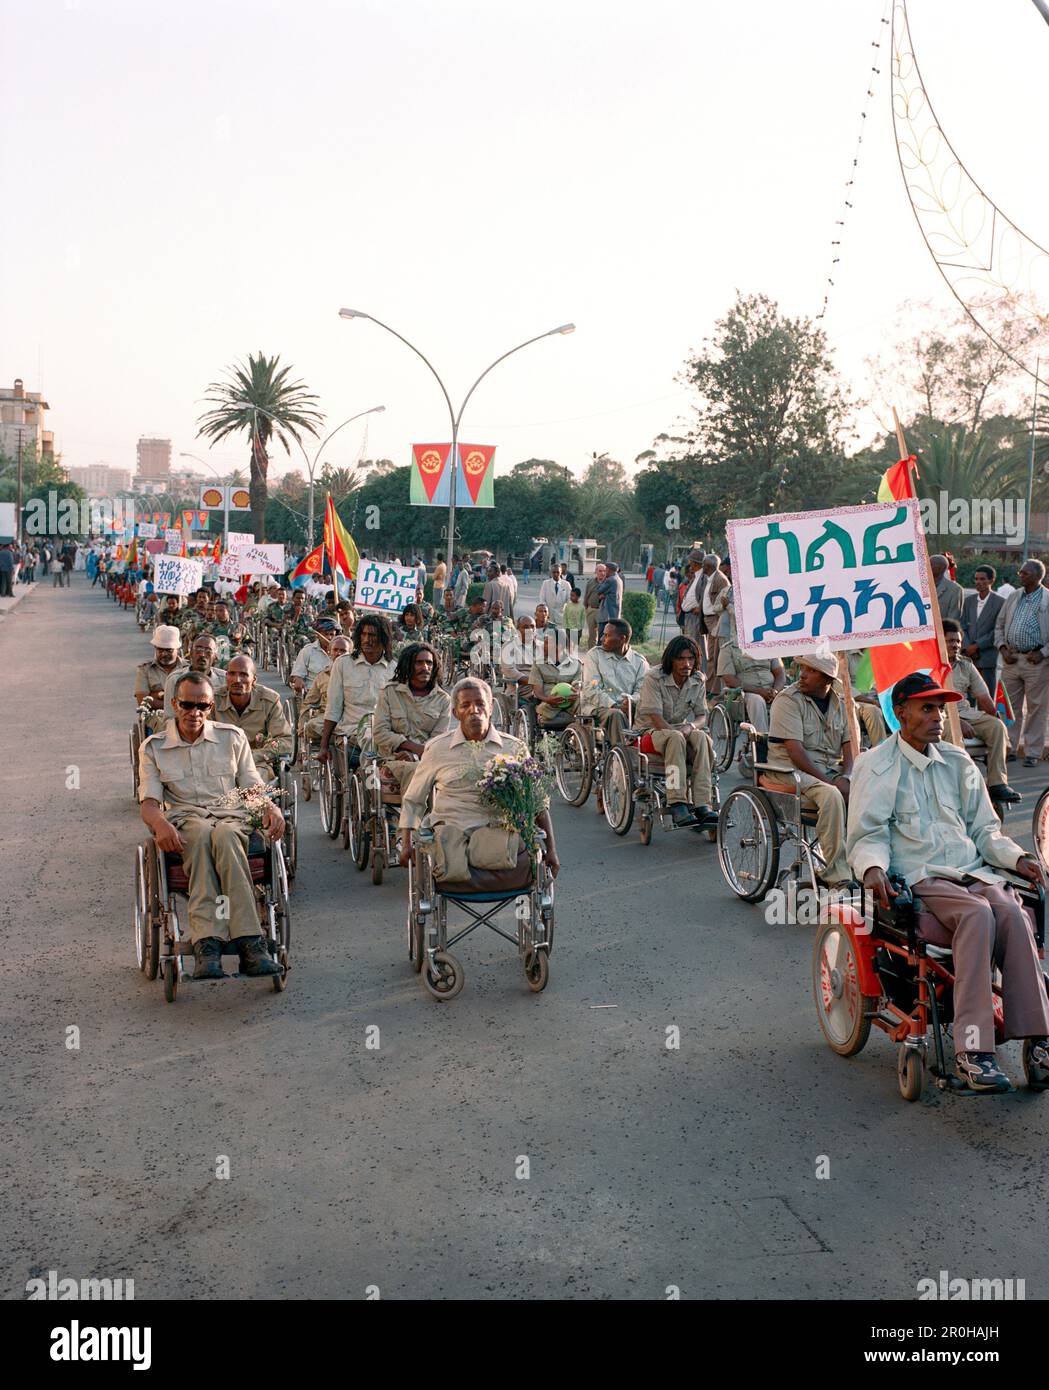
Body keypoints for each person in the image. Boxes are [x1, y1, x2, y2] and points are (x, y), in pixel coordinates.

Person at [847, 671, 1049, 1093]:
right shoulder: (877, 765)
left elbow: (986, 832)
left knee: (1012, 911)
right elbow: (868, 835)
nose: (938, 716)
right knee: (977, 915)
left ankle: (1038, 1043)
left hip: (973, 869)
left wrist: (1019, 857)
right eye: (927, 708)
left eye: (940, 708)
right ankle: (973, 1051)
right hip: (921, 876)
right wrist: (872, 869)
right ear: (900, 713)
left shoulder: (959, 762)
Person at [138, 671, 284, 980]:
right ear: (174, 705)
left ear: (210, 707)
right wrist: (160, 824)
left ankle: (250, 943)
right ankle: (208, 944)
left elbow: (251, 787)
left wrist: (271, 807)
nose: (195, 713)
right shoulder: (154, 747)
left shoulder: (232, 738)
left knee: (226, 835)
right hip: (186, 819)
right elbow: (149, 803)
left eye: (202, 706)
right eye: (187, 705)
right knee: (202, 836)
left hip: (230, 817)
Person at [397, 676, 560, 878]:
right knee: (450, 867)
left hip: (496, 830)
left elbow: (537, 803)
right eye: (465, 705)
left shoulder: (514, 747)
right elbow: (414, 800)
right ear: (455, 713)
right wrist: (406, 843)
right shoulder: (437, 748)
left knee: (507, 853)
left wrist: (551, 849)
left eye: (480, 704)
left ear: (490, 707)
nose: (474, 710)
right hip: (450, 830)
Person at [764, 650, 854, 888]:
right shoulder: (788, 700)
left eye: (811, 671)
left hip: (828, 770)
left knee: (870, 792)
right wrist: (831, 782)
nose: (802, 675)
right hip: (789, 771)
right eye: (802, 668)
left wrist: (847, 776)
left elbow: (850, 747)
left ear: (827, 679)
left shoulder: (842, 702)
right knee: (832, 795)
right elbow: (796, 753)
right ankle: (836, 874)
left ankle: (862, 863)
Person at [636, 635, 714, 825]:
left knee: (702, 738)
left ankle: (703, 804)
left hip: (679, 728)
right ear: (671, 659)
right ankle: (677, 801)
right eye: (680, 658)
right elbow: (655, 717)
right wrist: (679, 734)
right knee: (676, 739)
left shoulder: (697, 679)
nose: (686, 663)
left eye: (691, 659)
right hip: (649, 730)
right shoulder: (654, 677)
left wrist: (691, 726)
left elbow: (702, 716)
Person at [942, 619, 1019, 803]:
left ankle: (997, 785)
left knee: (997, 727)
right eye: (950, 641)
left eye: (958, 641)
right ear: (940, 641)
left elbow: (983, 697)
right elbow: (931, 702)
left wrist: (995, 715)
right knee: (952, 732)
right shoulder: (931, 665)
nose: (955, 645)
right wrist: (957, 722)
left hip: (967, 713)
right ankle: (954, 787)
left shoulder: (965, 665)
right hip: (941, 714)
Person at [372, 642, 453, 792]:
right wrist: (412, 748)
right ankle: (412, 814)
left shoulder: (443, 700)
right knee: (415, 771)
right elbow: (380, 733)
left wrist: (416, 754)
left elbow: (438, 739)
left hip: (428, 758)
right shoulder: (390, 692)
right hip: (393, 758)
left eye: (429, 663)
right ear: (408, 665)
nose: (425, 667)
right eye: (419, 663)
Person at [319, 613, 396, 765]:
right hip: (352, 730)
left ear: (383, 638)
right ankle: (371, 783)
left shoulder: (394, 668)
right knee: (370, 737)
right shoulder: (343, 664)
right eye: (364, 634)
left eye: (372, 635)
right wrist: (324, 746)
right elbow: (333, 707)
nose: (367, 639)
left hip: (386, 730)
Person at [994, 558, 1049, 767]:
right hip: (1011, 659)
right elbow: (999, 626)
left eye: (1024, 573)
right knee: (1008, 706)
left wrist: (1043, 653)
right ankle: (1009, 747)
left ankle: (1033, 753)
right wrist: (1002, 648)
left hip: (1036, 662)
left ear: (1037, 576)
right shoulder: (1014, 596)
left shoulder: (1047, 599)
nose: (1020, 575)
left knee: (1037, 708)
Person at [214, 655, 293, 783]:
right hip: (219, 764)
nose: (237, 679)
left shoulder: (269, 701)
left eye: (244, 675)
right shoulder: (212, 701)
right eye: (232, 674)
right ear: (226, 676)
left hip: (257, 764)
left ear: (254, 679)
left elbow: (285, 741)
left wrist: (253, 756)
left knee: (253, 784)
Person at [580, 618, 649, 751]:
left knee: (652, 714)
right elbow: (591, 688)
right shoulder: (595, 655)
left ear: (622, 639)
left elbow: (643, 691)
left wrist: (631, 701)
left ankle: (644, 754)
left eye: (606, 635)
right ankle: (623, 755)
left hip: (630, 707)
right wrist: (614, 704)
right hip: (599, 707)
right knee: (616, 714)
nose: (601, 639)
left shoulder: (639, 662)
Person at [716, 636, 785, 737]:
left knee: (792, 697)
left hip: (771, 691)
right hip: (743, 694)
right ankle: (761, 742)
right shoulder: (728, 649)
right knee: (757, 700)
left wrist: (775, 691)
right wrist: (759, 691)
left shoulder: (769, 644)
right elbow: (729, 680)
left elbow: (780, 674)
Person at [962, 564, 1005, 697]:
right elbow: (962, 625)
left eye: (982, 579)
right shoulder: (969, 601)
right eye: (976, 579)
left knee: (986, 695)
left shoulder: (1000, 602)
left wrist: (977, 646)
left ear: (991, 580)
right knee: (968, 695)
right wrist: (967, 646)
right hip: (968, 655)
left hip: (987, 655)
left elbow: (998, 630)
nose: (978, 582)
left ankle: (989, 718)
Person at [163, 634, 226, 717]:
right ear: (191, 652)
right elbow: (169, 718)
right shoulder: (174, 679)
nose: (202, 654)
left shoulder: (224, 679)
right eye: (198, 649)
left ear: (215, 656)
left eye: (208, 651)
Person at [134, 624, 186, 726]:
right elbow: (143, 702)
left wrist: (157, 696)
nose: (164, 654)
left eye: (169, 650)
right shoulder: (145, 670)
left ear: (178, 649)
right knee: (167, 724)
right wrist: (178, 706)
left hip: (185, 714)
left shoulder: (188, 669)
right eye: (160, 650)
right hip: (157, 717)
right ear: (155, 648)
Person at [845, 650, 888, 746]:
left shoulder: (878, 653)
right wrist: (871, 702)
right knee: (873, 711)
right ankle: (881, 750)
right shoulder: (845, 655)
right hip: (857, 700)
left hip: (879, 698)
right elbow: (842, 685)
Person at [289, 617, 339, 695]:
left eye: (332, 634)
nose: (329, 637)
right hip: (313, 696)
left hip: (335, 694)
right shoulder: (307, 651)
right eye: (325, 634)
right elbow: (297, 674)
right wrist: (298, 678)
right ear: (318, 635)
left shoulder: (340, 654)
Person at [594, 561, 623, 642]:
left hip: (607, 615)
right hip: (614, 614)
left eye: (605, 569)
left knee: (602, 639)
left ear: (609, 570)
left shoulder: (610, 580)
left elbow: (599, 590)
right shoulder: (618, 579)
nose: (604, 572)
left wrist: (603, 579)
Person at [930, 553, 964, 626]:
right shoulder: (922, 587)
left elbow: (953, 618)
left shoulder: (955, 589)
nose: (927, 566)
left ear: (941, 568)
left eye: (931, 564)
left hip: (942, 633)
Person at [539, 563, 571, 629]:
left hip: (561, 616)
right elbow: (542, 598)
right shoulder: (546, 583)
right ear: (551, 573)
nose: (556, 574)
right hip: (549, 616)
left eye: (557, 572)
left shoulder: (566, 584)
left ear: (561, 572)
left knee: (560, 636)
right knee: (549, 636)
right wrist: (545, 612)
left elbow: (569, 600)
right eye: (554, 572)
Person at [583, 563, 606, 650]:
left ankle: (601, 653)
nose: (602, 573)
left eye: (604, 571)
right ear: (596, 572)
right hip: (591, 610)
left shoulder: (607, 582)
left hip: (602, 611)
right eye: (600, 571)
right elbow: (586, 595)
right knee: (592, 635)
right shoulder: (591, 582)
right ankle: (591, 653)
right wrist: (586, 607)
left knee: (602, 634)